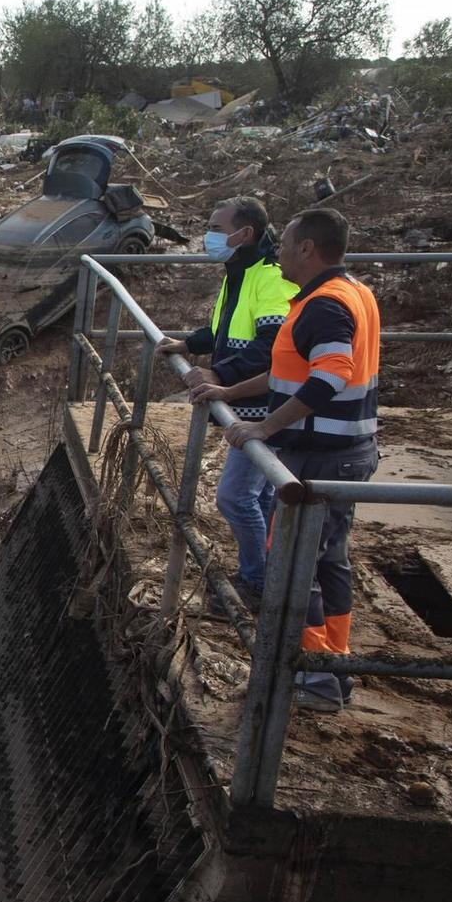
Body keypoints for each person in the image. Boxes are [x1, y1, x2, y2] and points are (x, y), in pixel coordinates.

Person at [191, 207, 380, 713]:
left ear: (307, 249)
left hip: (323, 455)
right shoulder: (353, 293)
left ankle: (315, 681)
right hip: (346, 451)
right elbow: (286, 370)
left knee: (295, 565)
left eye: (287, 242)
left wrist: (266, 426)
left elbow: (330, 377)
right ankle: (332, 669)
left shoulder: (325, 305)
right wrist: (229, 389)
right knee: (328, 562)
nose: (278, 252)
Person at [158, 197, 297, 611]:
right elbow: (225, 329)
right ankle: (274, 568)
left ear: (245, 233)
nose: (209, 235)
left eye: (216, 227)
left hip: (265, 406)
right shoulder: (240, 271)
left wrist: (223, 375)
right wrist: (190, 344)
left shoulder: (270, 277)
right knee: (264, 497)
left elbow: (273, 348)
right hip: (252, 403)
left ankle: (258, 581)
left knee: (235, 497)